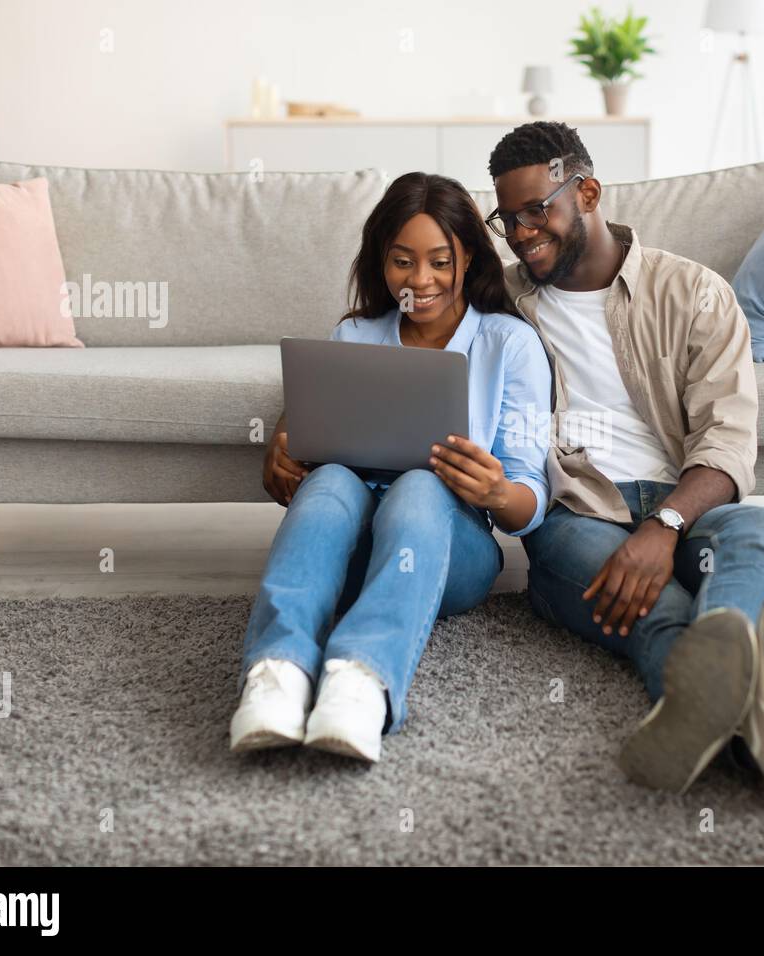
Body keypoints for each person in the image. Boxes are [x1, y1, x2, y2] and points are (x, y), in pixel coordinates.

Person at [485, 122, 764, 813]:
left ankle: (725, 692)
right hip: (580, 515)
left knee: (755, 529)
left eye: (536, 210)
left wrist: (664, 525)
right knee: (659, 608)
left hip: (687, 502)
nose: (520, 233)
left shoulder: (693, 292)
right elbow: (408, 327)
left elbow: (726, 442)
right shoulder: (502, 303)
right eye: (507, 219)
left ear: (589, 191)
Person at [230, 172, 551, 762]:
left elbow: (529, 501)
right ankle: (277, 673)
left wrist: (495, 489)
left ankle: (360, 680)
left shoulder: (509, 344)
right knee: (329, 479)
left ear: (469, 258)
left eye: (439, 261)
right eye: (403, 261)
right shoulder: (354, 335)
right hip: (349, 552)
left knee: (421, 485)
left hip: (450, 551)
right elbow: (297, 447)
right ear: (381, 261)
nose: (420, 280)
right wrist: (282, 456)